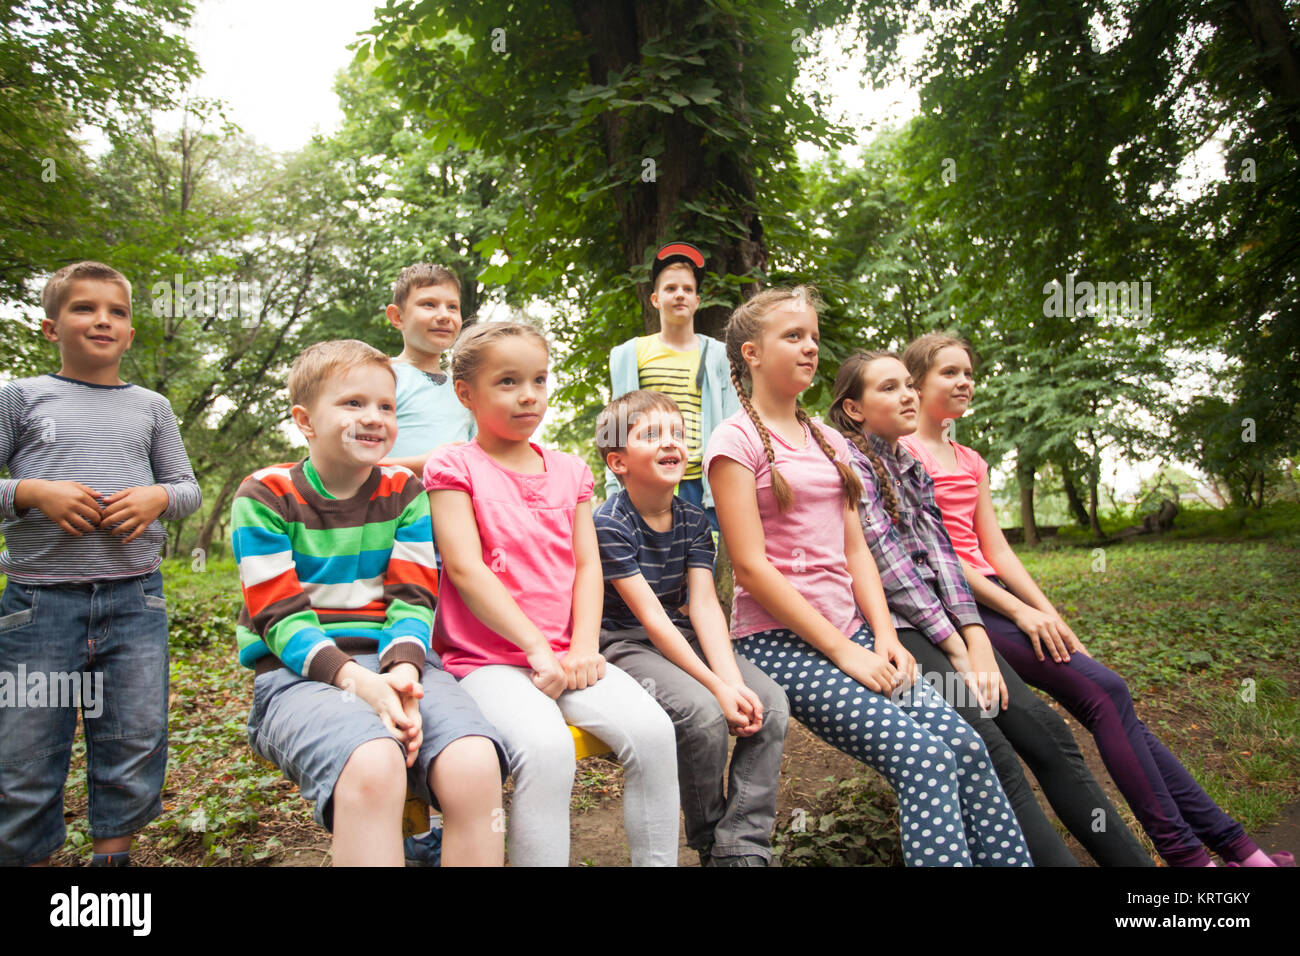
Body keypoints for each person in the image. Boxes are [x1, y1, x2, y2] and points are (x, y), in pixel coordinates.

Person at [900, 331, 1294, 868]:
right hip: (962, 610)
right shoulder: (905, 453)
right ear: (916, 384)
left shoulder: (970, 458)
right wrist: (1017, 610)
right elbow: (939, 555)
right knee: (1105, 694)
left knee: (1112, 699)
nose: (964, 381)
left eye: (968, 372)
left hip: (1002, 602)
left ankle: (1238, 853)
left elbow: (998, 550)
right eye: (949, 372)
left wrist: (1050, 613)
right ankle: (1197, 857)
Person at [704, 286, 1031, 866]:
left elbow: (858, 549)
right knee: (923, 760)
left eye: (812, 336)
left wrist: (881, 633)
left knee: (966, 745)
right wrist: (846, 652)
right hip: (780, 643)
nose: (810, 347)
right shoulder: (734, 441)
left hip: (856, 632)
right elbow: (751, 569)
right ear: (751, 354)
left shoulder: (830, 441)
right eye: (792, 336)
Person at [828, 349, 1152, 866]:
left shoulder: (910, 463)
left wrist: (977, 639)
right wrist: (959, 648)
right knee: (995, 755)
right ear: (854, 409)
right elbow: (892, 574)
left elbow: (943, 560)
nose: (908, 394)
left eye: (908, 385)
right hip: (894, 629)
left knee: (1049, 737)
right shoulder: (847, 465)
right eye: (888, 388)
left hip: (948, 625)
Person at [232, 339, 506, 866]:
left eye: (386, 406)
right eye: (353, 403)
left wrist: (403, 671)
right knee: (374, 762)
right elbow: (278, 615)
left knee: (474, 764)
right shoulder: (265, 494)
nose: (373, 418)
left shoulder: (405, 491)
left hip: (396, 661)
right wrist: (360, 684)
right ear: (305, 420)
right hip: (298, 674)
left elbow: (413, 595)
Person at [426, 322, 679, 866]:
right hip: (487, 662)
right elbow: (468, 570)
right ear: (466, 392)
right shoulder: (454, 467)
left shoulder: (568, 471)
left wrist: (583, 645)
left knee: (655, 733)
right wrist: (535, 649)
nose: (529, 395)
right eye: (508, 382)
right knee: (547, 749)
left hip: (570, 655)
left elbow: (588, 564)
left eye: (539, 380)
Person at [0, 261, 202, 867]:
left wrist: (158, 498)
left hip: (135, 600)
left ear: (131, 332)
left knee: (134, 738)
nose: (102, 320)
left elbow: (186, 487)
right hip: (40, 605)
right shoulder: (21, 397)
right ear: (49, 326)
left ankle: (113, 861)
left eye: (117, 311)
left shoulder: (151, 407)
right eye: (84, 308)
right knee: (26, 747)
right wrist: (32, 492)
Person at [595, 389, 789, 866]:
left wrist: (732, 683)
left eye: (678, 434)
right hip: (624, 643)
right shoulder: (609, 523)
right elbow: (652, 619)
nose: (671, 444)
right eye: (651, 435)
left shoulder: (695, 520)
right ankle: (709, 842)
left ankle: (742, 843)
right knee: (702, 715)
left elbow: (703, 606)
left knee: (771, 704)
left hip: (679, 634)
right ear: (618, 461)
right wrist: (716, 690)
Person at [606, 241, 738, 530]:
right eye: (671, 288)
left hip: (700, 486)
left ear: (697, 300)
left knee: (702, 568)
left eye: (688, 289)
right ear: (655, 299)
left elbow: (733, 421)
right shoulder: (630, 353)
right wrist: (614, 487)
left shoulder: (718, 354)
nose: (680, 295)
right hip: (645, 481)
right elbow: (615, 424)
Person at [384, 262, 475, 478]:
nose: (444, 315)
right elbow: (347, 457)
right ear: (398, 317)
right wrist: (424, 463)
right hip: (391, 507)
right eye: (429, 304)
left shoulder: (465, 391)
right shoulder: (380, 378)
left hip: (451, 508)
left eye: (453, 307)